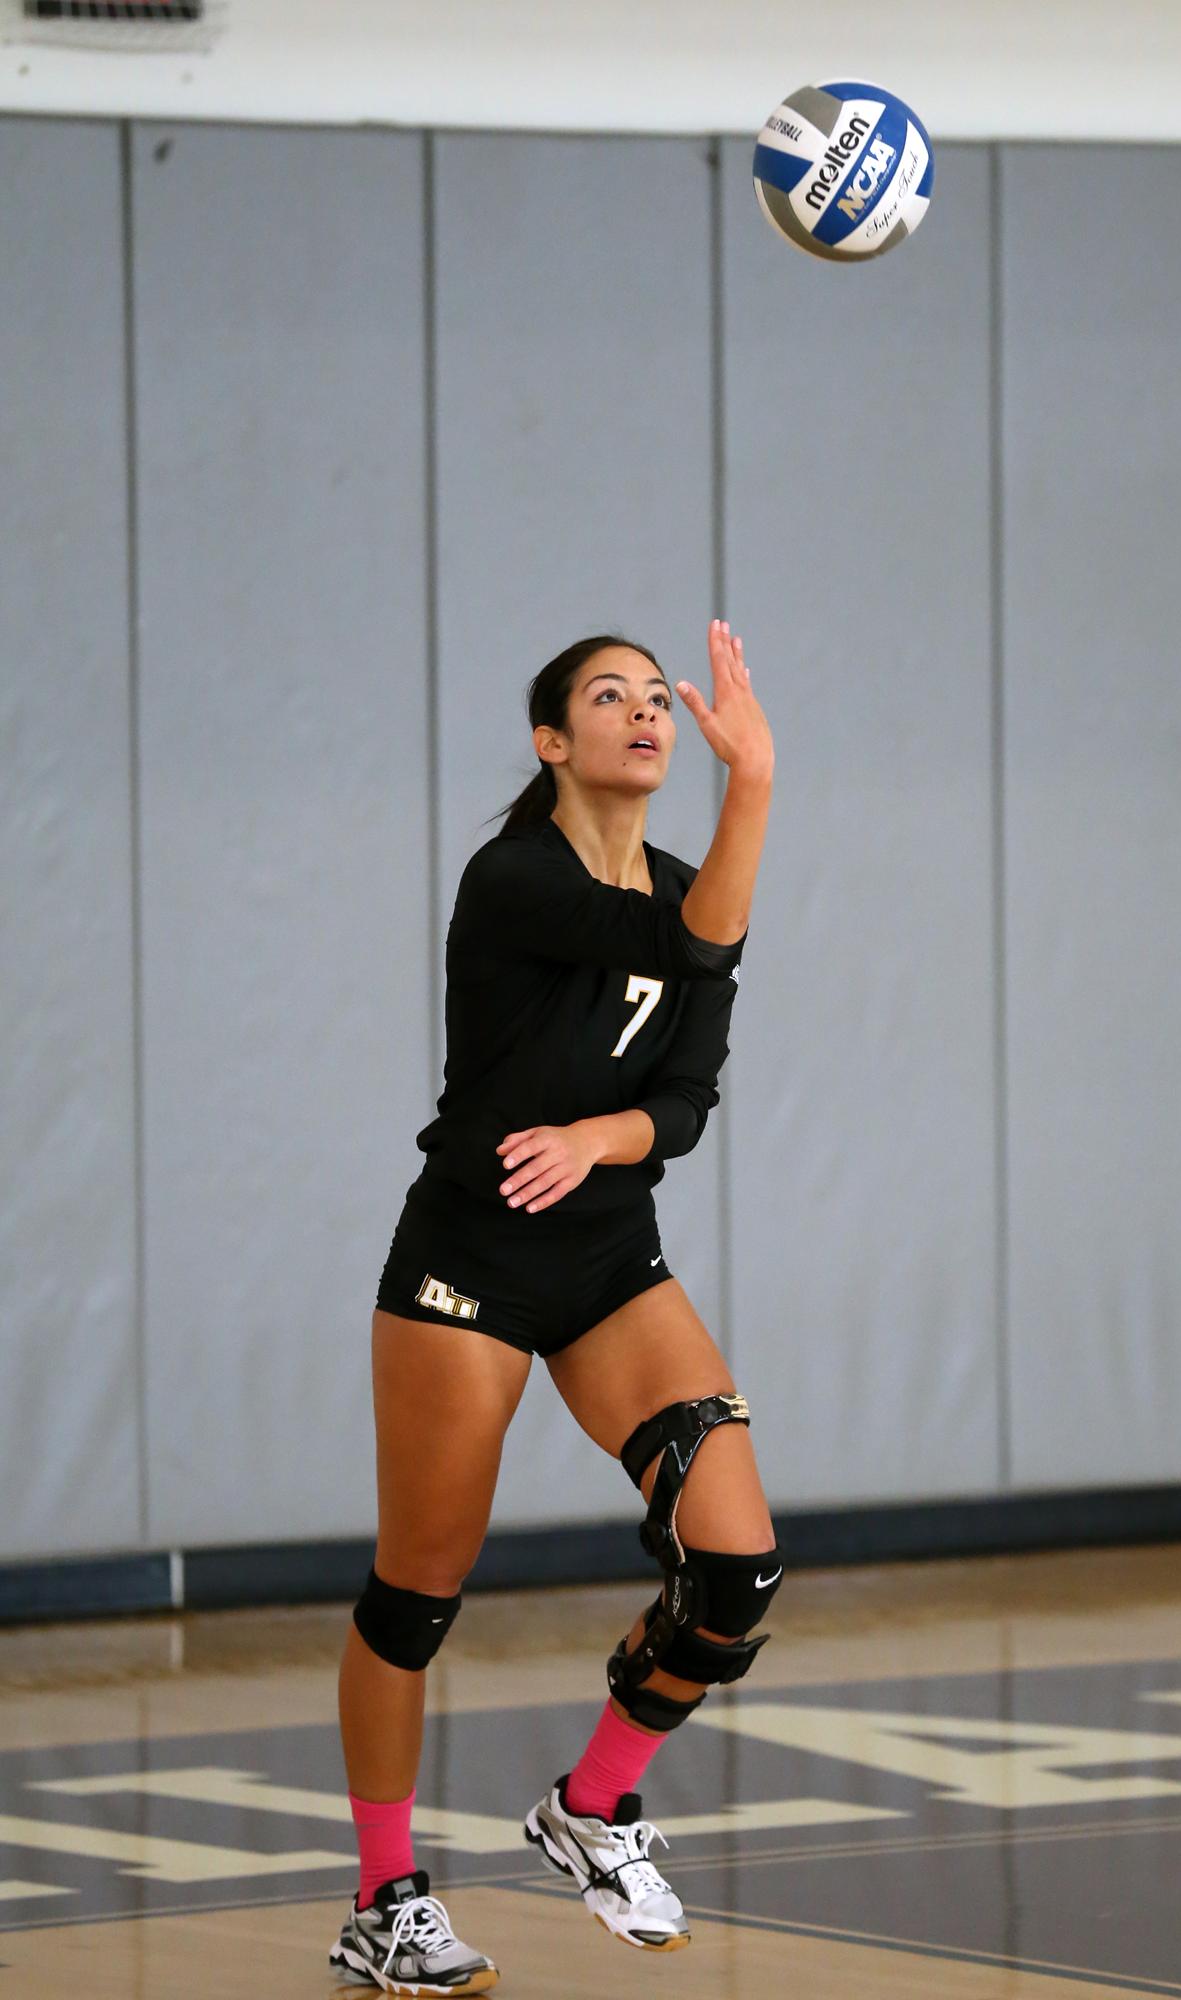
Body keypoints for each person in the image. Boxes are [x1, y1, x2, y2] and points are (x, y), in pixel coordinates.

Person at [329, 619, 780, 1994]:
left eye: (659, 698)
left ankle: (592, 1806)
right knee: (417, 1592)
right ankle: (383, 1901)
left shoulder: (691, 887)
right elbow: (676, 943)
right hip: (468, 1263)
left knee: (735, 1568)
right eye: (609, 696)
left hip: (605, 1260)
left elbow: (686, 1098)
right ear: (551, 739)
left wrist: (598, 1139)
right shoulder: (515, 874)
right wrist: (756, 783)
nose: (645, 714)